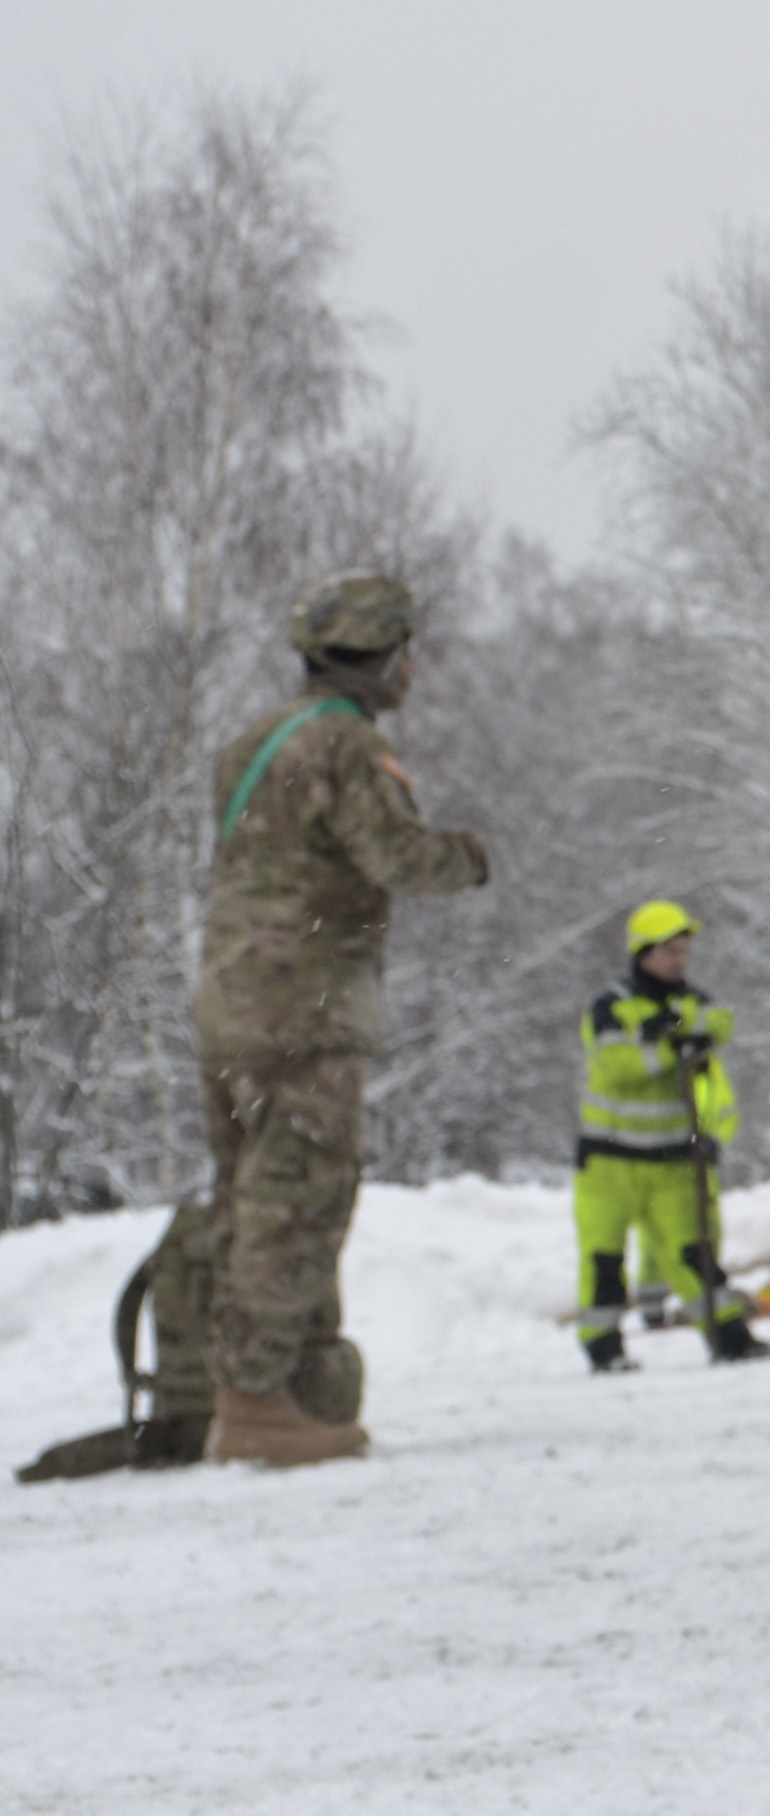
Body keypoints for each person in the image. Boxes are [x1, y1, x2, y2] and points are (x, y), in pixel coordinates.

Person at [191, 570, 491, 1467]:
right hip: (304, 1005)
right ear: (386, 657)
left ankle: (291, 1389)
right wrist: (468, 857)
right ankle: (254, 1401)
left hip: (230, 997)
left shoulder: (251, 742)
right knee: (304, 1195)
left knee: (252, 1192)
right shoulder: (348, 746)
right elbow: (395, 854)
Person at [572, 903, 770, 1369]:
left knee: (694, 1253)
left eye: (683, 951)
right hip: (609, 1162)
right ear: (643, 952)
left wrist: (676, 1030)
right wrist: (668, 1046)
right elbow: (618, 1066)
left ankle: (729, 1338)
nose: (679, 961)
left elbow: (719, 1021)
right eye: (669, 951)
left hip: (669, 1160)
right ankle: (603, 1348)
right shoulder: (611, 1005)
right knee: (605, 1258)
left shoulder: (687, 1002)